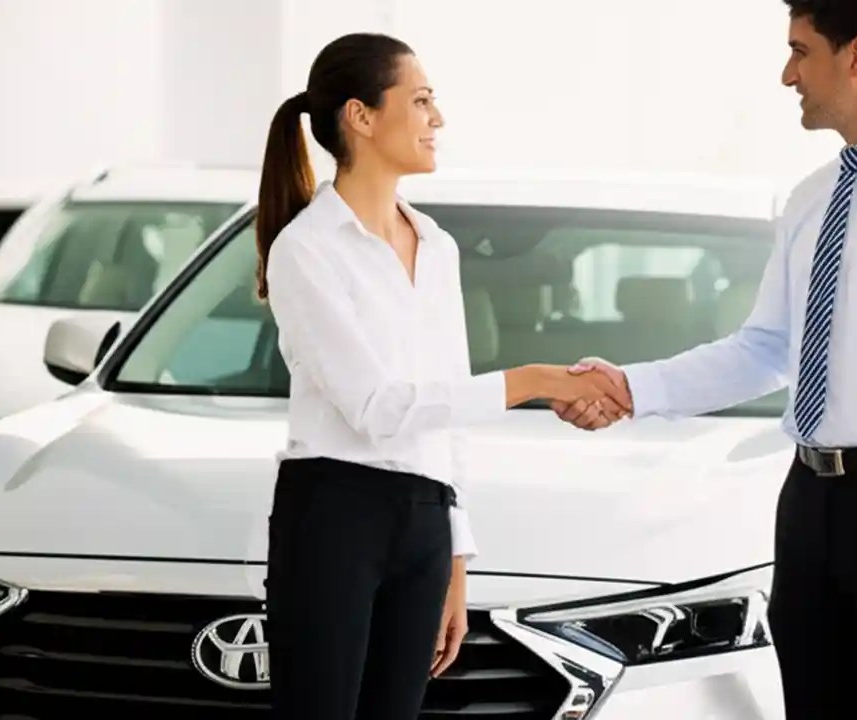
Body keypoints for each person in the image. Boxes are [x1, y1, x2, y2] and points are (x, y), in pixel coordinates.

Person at [555, 1, 857, 718]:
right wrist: (632, 386)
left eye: (801, 51)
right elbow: (765, 350)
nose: (788, 75)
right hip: (810, 497)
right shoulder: (811, 199)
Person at [255, 32, 631, 720]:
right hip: (336, 513)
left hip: (424, 521)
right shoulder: (305, 250)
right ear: (361, 117)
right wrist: (530, 380)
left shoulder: (436, 244)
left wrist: (457, 556)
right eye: (422, 100)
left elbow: (446, 413)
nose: (438, 120)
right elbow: (376, 408)